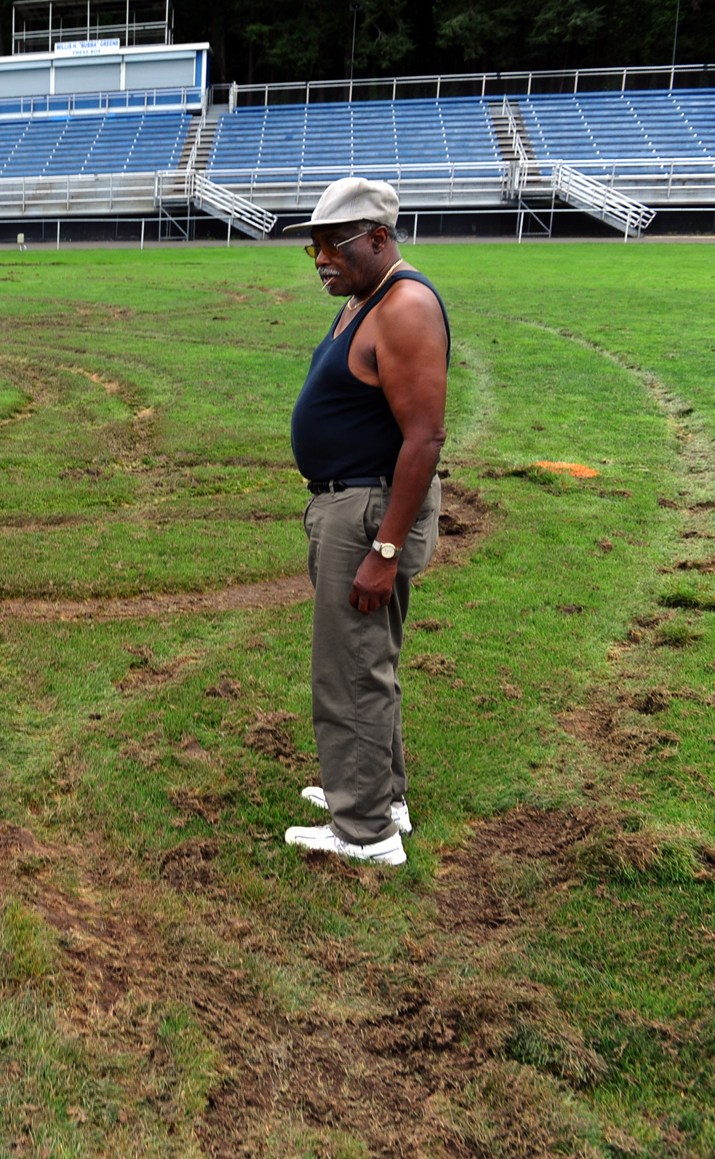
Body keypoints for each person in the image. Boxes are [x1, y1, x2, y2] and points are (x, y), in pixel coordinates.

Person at [281, 178, 449, 867]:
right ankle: (381, 796)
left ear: (380, 238)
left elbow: (425, 439)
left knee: (349, 670)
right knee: (367, 661)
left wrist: (383, 548)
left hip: (367, 512)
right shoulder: (364, 297)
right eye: (313, 246)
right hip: (354, 504)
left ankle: (365, 831)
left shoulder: (404, 306)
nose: (321, 257)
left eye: (333, 243)